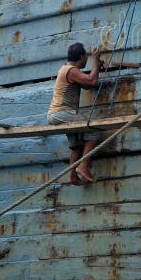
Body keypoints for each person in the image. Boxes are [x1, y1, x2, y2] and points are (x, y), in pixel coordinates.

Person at [47, 42, 102, 185]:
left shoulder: (67, 70)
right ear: (82, 56)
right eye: (87, 57)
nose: (87, 60)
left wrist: (97, 66)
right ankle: (83, 166)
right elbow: (91, 81)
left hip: (57, 114)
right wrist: (96, 60)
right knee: (94, 130)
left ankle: (72, 176)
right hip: (62, 113)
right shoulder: (71, 70)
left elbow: (90, 84)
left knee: (76, 145)